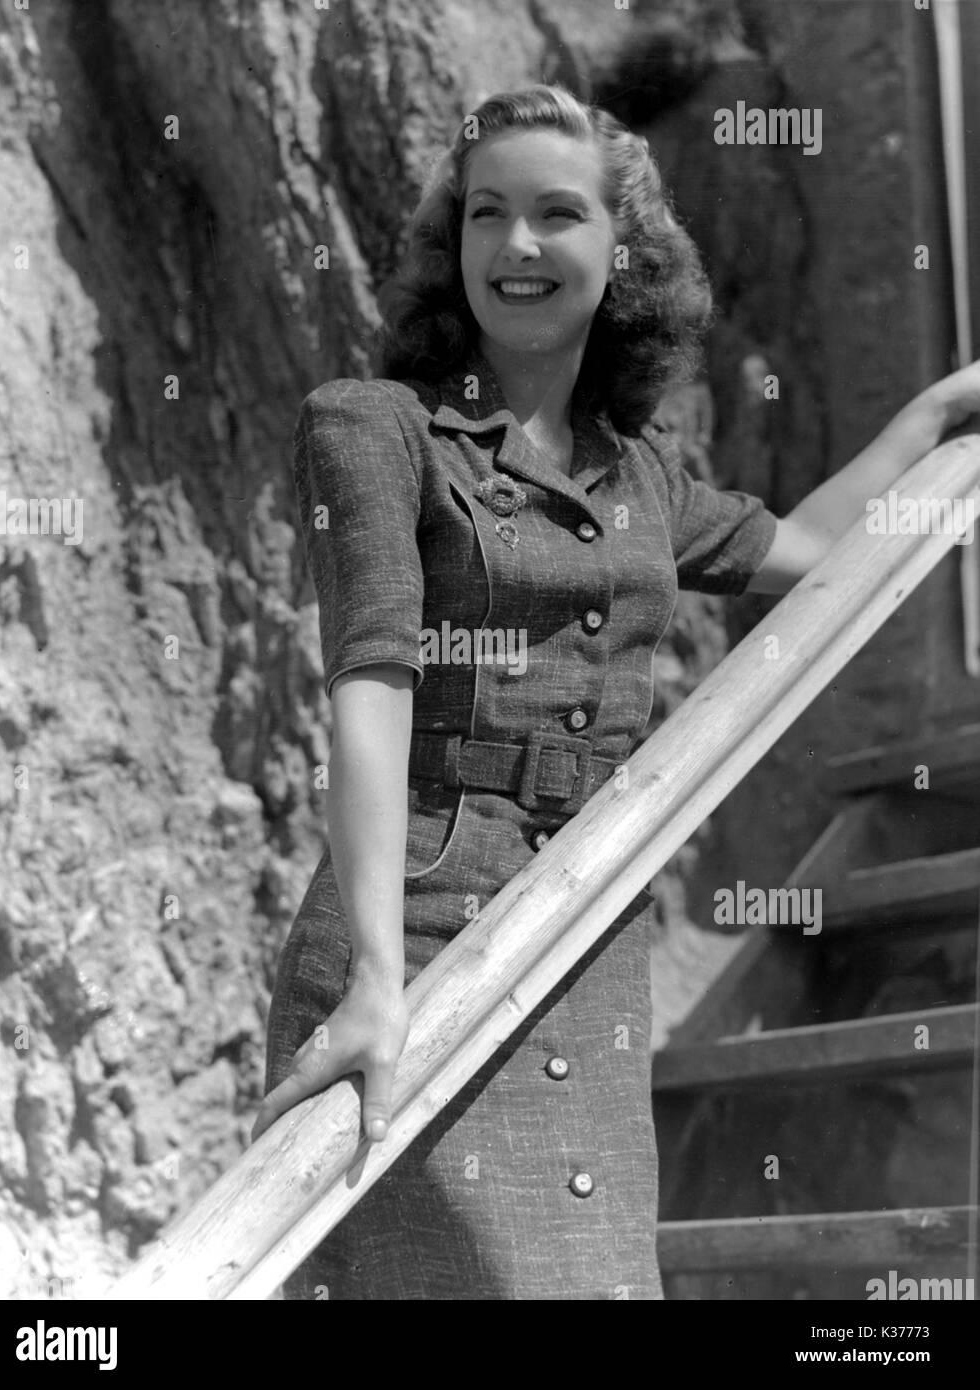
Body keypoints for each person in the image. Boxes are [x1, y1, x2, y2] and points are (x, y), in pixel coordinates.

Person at [253, 84, 980, 1300]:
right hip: (421, 933)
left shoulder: (639, 472)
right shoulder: (371, 427)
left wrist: (938, 416)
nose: (518, 247)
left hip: (588, 938)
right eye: (489, 215)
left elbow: (803, 554)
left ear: (622, 248)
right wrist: (377, 981)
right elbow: (370, 681)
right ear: (454, 244)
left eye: (556, 213)